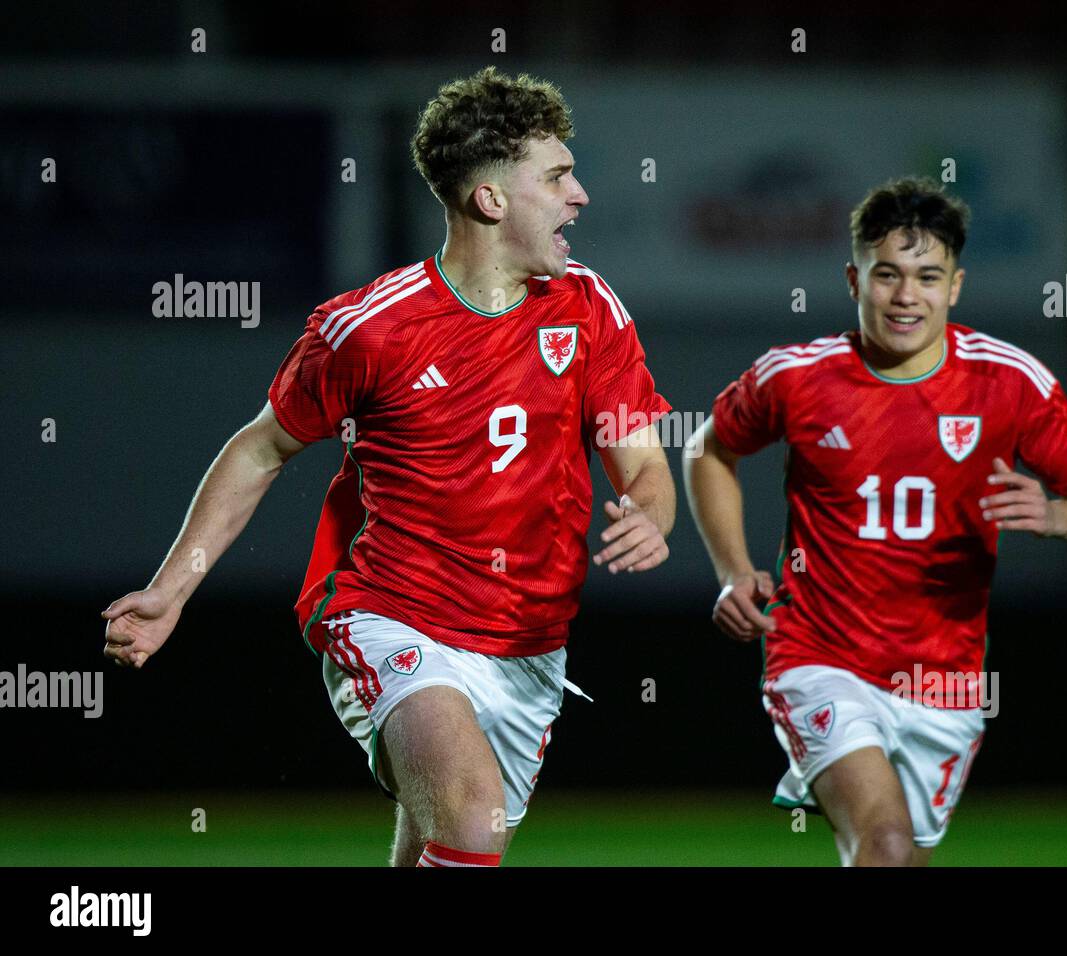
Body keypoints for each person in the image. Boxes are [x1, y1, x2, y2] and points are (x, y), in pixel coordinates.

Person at [102, 67, 675, 867]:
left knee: (441, 848)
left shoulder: (588, 307)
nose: (579, 195)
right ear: (491, 200)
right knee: (470, 822)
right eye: (557, 176)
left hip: (530, 645)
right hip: (393, 613)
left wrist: (650, 511)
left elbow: (643, 462)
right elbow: (262, 447)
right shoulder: (369, 330)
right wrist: (171, 589)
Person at [684, 177, 1067, 866]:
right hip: (820, 657)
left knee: (897, 857)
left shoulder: (1007, 382)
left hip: (944, 682)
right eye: (886, 274)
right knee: (886, 845)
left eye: (927, 277)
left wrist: (1055, 513)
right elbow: (709, 448)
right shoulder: (798, 378)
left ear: (954, 286)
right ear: (852, 278)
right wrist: (733, 572)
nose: (904, 296)